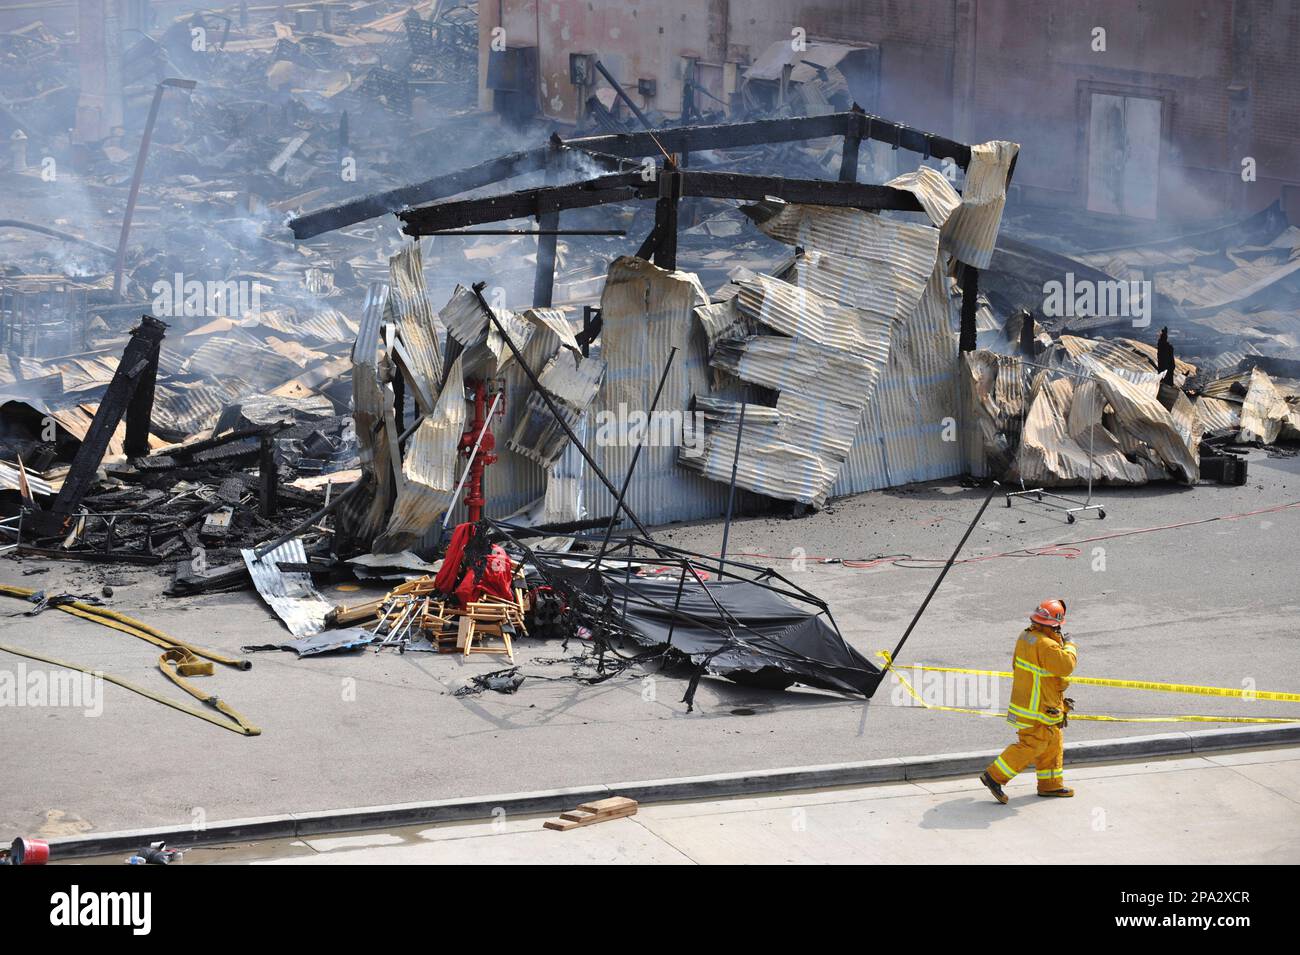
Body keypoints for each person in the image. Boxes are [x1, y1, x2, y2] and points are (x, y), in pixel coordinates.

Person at [979, 599, 1077, 802]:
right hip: (1038, 707)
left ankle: (1050, 785)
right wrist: (1070, 646)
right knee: (1033, 744)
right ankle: (994, 775)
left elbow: (1034, 671)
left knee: (1052, 742)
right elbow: (1066, 666)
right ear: (1054, 624)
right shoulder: (1047, 645)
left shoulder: (1026, 637)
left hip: (1031, 702)